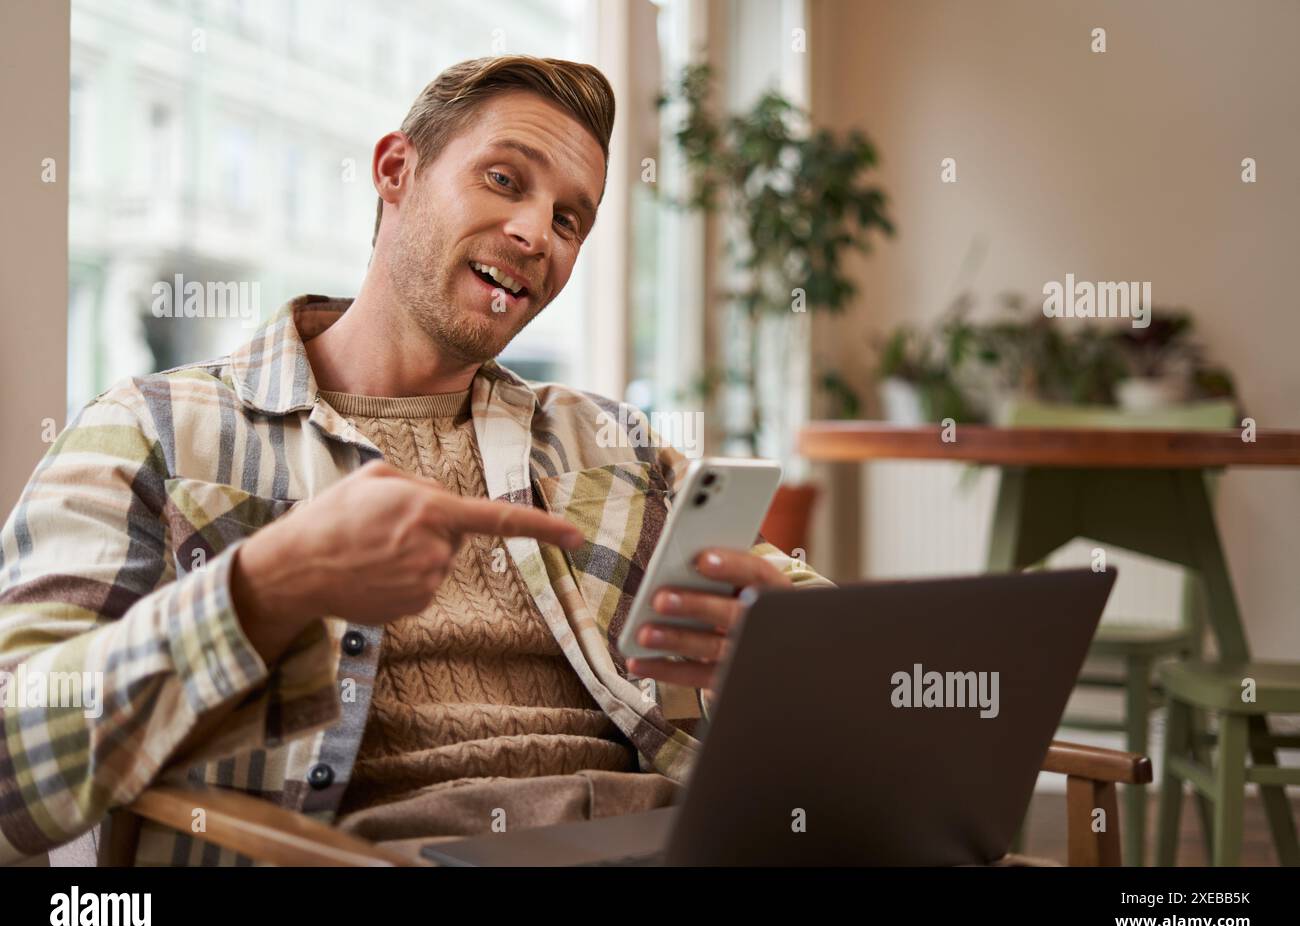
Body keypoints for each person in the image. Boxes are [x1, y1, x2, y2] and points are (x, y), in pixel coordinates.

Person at [0, 55, 830, 866]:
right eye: (506, 180)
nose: (536, 233)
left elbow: (847, 659)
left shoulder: (611, 442)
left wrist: (782, 655)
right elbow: (15, 768)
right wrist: (264, 587)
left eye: (570, 218)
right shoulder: (153, 428)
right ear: (396, 169)